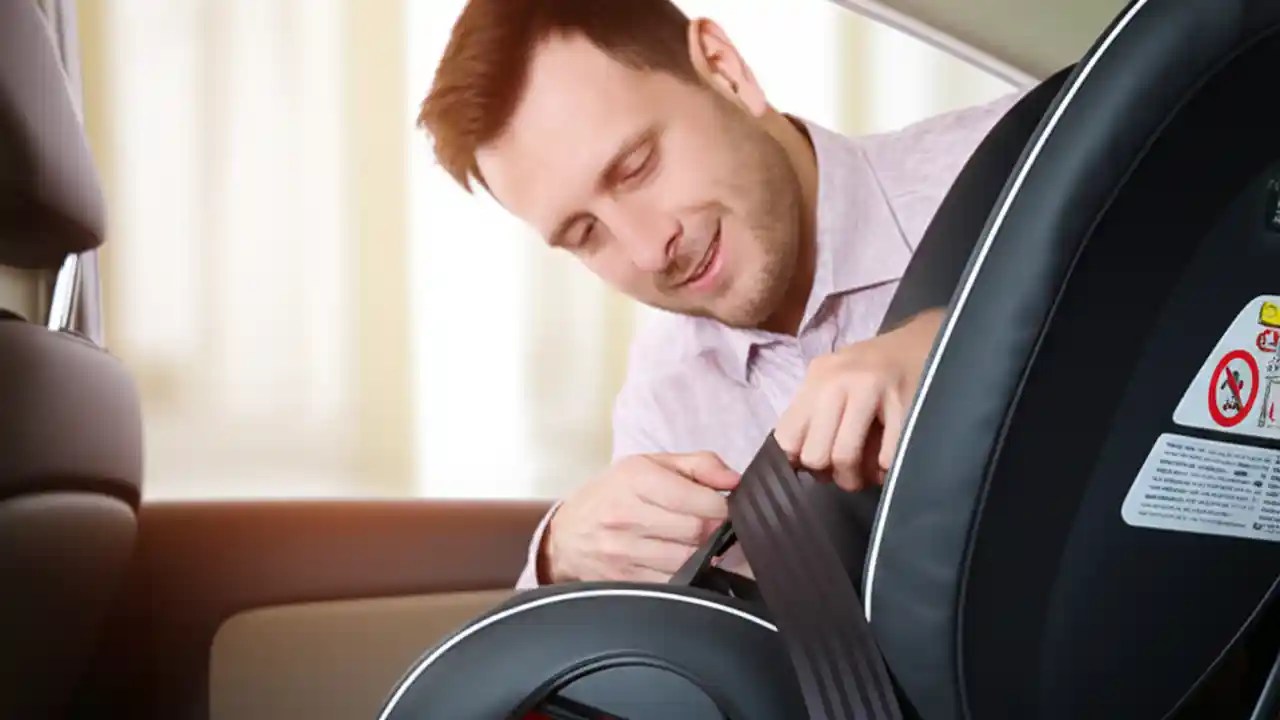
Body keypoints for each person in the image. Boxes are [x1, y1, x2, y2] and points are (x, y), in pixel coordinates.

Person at [417, 0, 1024, 588]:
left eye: (636, 167)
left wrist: (982, 342)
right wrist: (562, 553)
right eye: (585, 233)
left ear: (724, 70)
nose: (648, 250)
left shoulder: (1027, 160)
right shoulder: (664, 404)